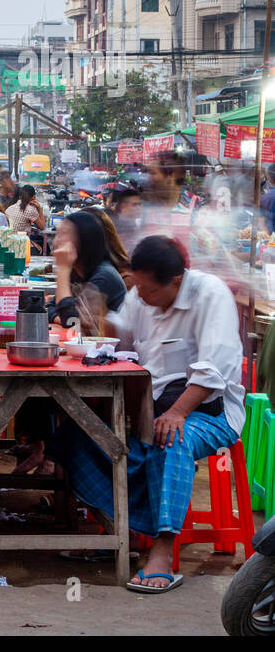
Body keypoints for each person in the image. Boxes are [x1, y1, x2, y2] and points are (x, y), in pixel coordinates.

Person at [48, 235, 244, 592]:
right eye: (137, 287)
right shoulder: (142, 293)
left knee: (171, 441)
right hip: (150, 408)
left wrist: (180, 411)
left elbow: (214, 368)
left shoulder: (210, 294)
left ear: (175, 281)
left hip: (208, 412)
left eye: (149, 290)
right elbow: (122, 338)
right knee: (75, 435)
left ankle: (161, 552)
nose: (142, 297)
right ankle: (116, 531)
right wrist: (99, 319)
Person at [47, 209, 126, 331]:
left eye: (64, 234)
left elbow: (72, 321)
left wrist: (62, 269)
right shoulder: (77, 272)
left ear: (85, 239)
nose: (56, 241)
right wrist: (61, 317)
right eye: (57, 233)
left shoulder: (104, 275)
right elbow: (50, 307)